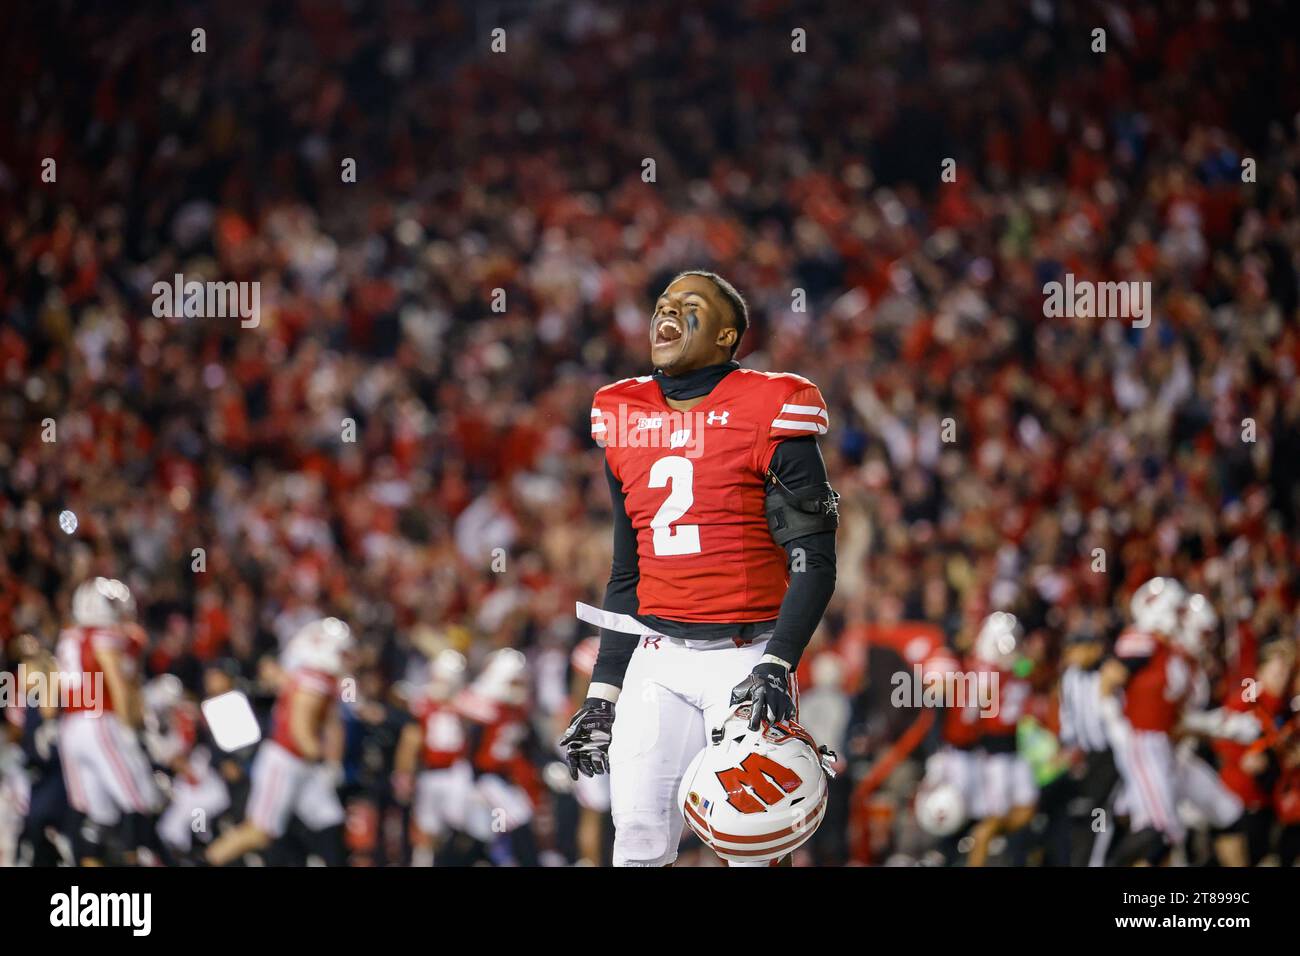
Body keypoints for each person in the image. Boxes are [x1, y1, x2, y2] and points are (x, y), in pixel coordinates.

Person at [559, 271, 839, 867]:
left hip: (745, 653)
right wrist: (603, 692)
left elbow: (813, 560)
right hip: (656, 657)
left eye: (689, 306)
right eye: (662, 303)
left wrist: (776, 664)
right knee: (635, 837)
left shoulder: (770, 405)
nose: (667, 312)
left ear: (726, 336)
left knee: (753, 841)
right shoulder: (623, 411)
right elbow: (625, 570)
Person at [206, 617, 351, 866]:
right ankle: (206, 860)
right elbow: (300, 731)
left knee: (330, 821)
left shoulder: (318, 679)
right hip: (285, 761)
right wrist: (324, 761)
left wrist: (331, 762)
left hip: (302, 764)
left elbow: (332, 725)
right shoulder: (312, 680)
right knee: (259, 832)